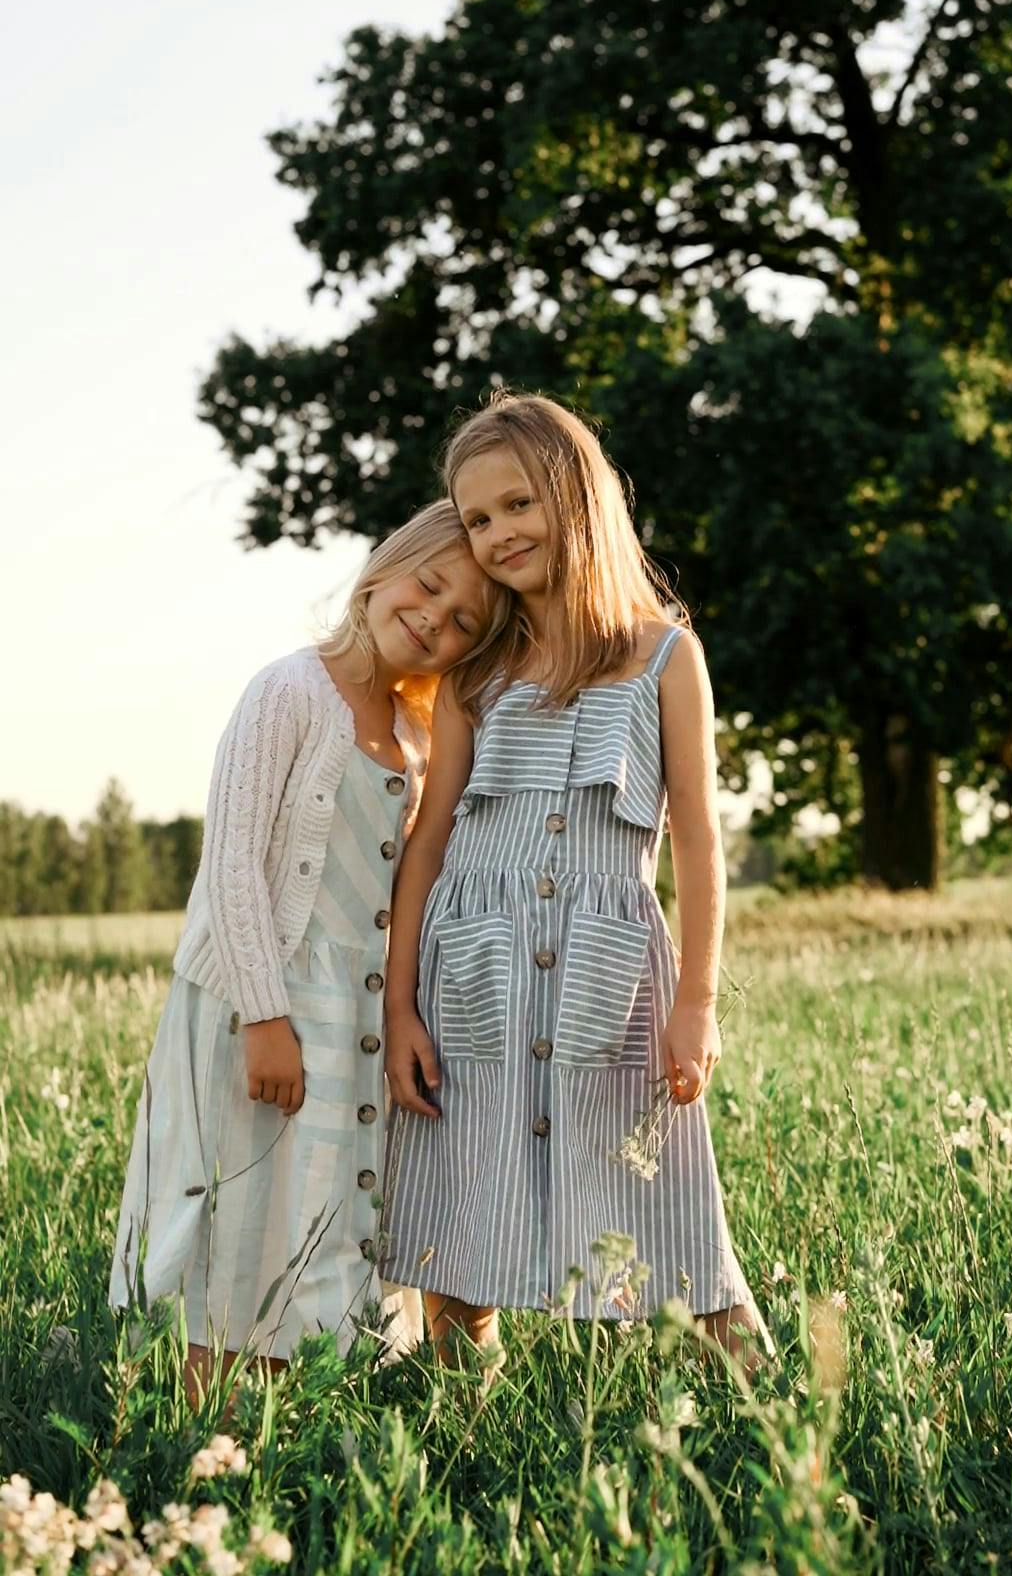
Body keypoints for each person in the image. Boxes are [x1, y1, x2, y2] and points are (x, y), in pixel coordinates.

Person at [382, 395, 768, 1367]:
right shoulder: (477, 670)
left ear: (578, 497)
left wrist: (697, 1003)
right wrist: (398, 1009)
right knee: (462, 1210)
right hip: (473, 974)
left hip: (615, 977)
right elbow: (425, 845)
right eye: (478, 519)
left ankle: (775, 1420)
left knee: (670, 1210)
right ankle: (456, 1424)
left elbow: (697, 843)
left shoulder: (665, 656)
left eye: (520, 504)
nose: (500, 533)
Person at [110, 499, 512, 1404]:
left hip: (350, 1016)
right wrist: (263, 1016)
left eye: (462, 626)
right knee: (238, 1214)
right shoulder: (290, 689)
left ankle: (297, 1414)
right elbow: (234, 866)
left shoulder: (417, 735)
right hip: (262, 1002)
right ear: (383, 568)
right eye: (430, 586)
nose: (434, 620)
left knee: (319, 1205)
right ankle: (201, 1418)